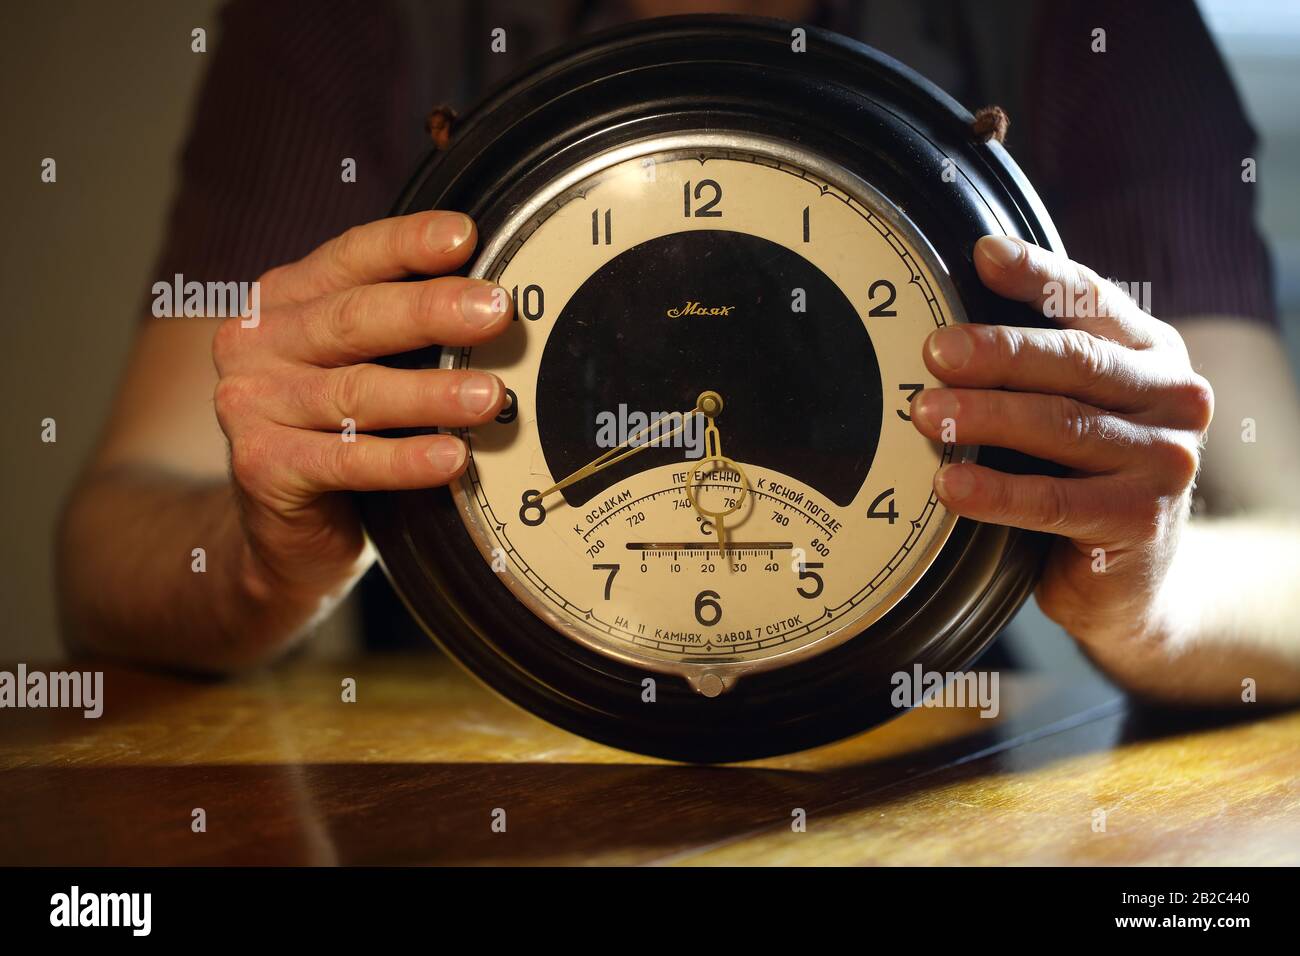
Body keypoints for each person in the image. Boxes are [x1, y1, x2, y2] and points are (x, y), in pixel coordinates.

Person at [56, 0, 1300, 704]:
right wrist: (266, 557)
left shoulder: (1090, 23)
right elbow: (112, 537)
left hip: (936, 732)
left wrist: (1158, 584)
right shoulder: (349, 22)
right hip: (457, 731)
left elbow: (1286, 542)